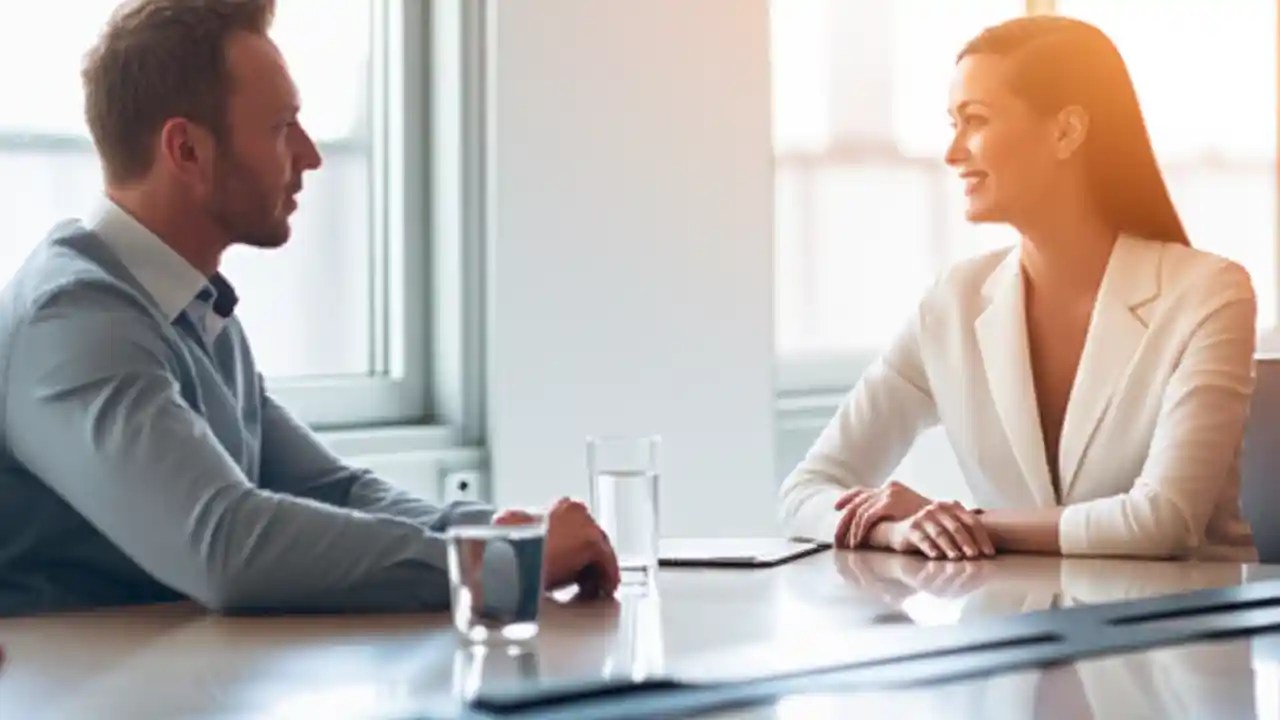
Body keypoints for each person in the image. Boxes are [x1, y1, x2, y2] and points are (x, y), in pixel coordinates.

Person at [0, 0, 618, 616]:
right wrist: (503, 566)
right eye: (281, 128)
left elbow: (336, 491)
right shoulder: (73, 321)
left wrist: (505, 536)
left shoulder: (193, 311)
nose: (311, 155)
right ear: (186, 150)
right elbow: (226, 544)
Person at [780, 16, 1256, 561]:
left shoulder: (1208, 293)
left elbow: (1161, 521)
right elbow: (806, 492)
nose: (953, 152)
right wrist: (899, 529)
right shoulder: (953, 302)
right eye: (952, 123)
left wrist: (968, 523)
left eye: (975, 120)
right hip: (1017, 632)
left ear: (1066, 131)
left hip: (1183, 633)